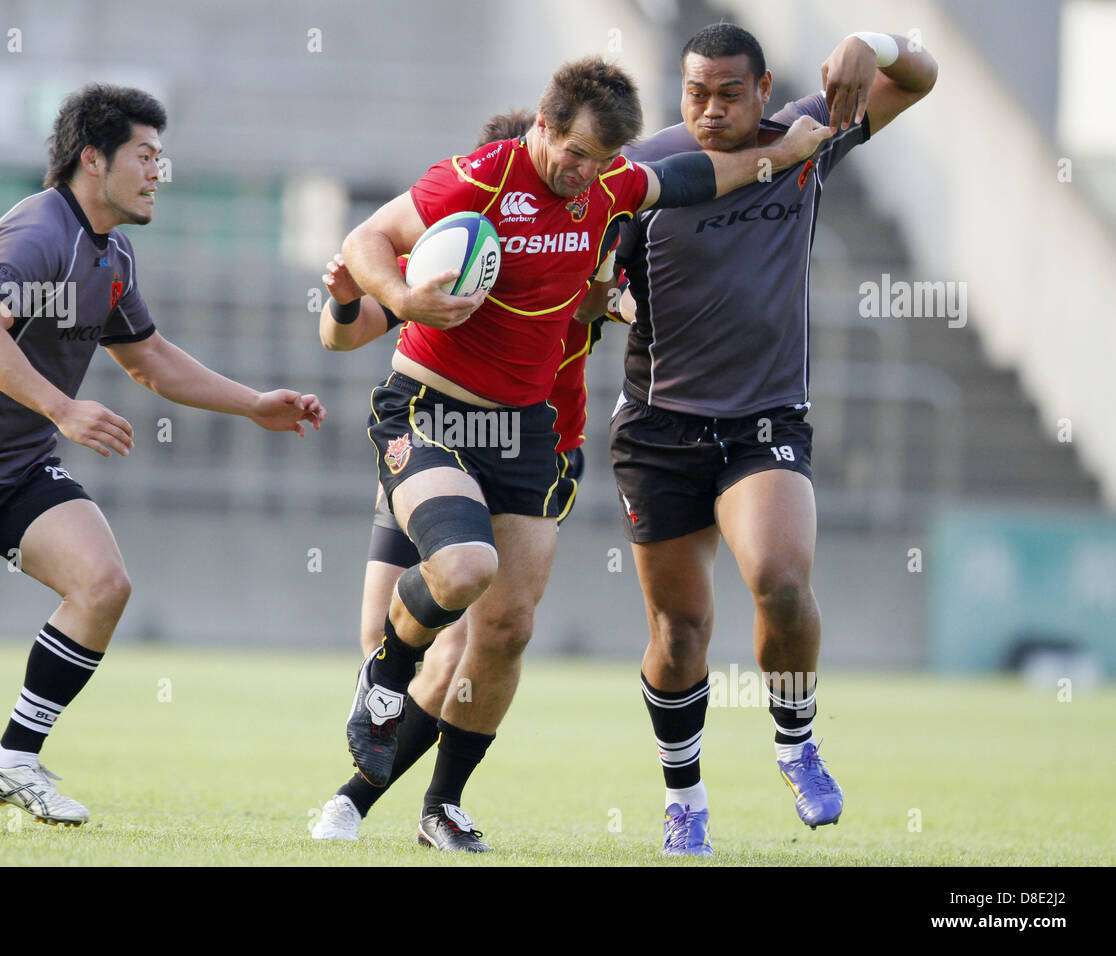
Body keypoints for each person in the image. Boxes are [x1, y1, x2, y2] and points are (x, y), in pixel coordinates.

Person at [337, 55, 830, 851]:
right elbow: (367, 240)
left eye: (601, 162)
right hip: (432, 413)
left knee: (508, 628)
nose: (585, 173)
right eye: (574, 154)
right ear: (544, 125)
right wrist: (398, 297)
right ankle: (384, 687)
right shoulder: (482, 179)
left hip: (529, 433)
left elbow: (707, 176)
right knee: (463, 571)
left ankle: (442, 805)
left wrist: (786, 153)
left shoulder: (611, 189)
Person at [0, 83, 324, 825]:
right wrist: (63, 407)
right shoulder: (37, 232)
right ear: (94, 158)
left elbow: (149, 358)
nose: (159, 172)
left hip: (17, 468)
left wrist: (253, 404)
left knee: (103, 584)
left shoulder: (111, 253)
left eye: (162, 157)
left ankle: (14, 758)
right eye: (145, 156)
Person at [609, 23, 937, 855]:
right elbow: (590, 282)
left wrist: (877, 40)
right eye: (695, 93)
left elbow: (922, 78)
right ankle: (685, 799)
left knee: (781, 580)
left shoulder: (808, 135)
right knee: (680, 632)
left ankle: (795, 741)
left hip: (763, 422)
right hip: (659, 428)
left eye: (728, 93)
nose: (710, 111)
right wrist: (599, 302)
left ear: (763, 90)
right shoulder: (643, 172)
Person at [309, 109, 622, 842]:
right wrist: (352, 295)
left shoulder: (593, 236)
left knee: (480, 638)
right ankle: (372, 766)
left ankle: (388, 802)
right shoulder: (465, 255)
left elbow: (610, 289)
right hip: (437, 440)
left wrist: (622, 299)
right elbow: (343, 334)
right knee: (390, 639)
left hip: (535, 452)